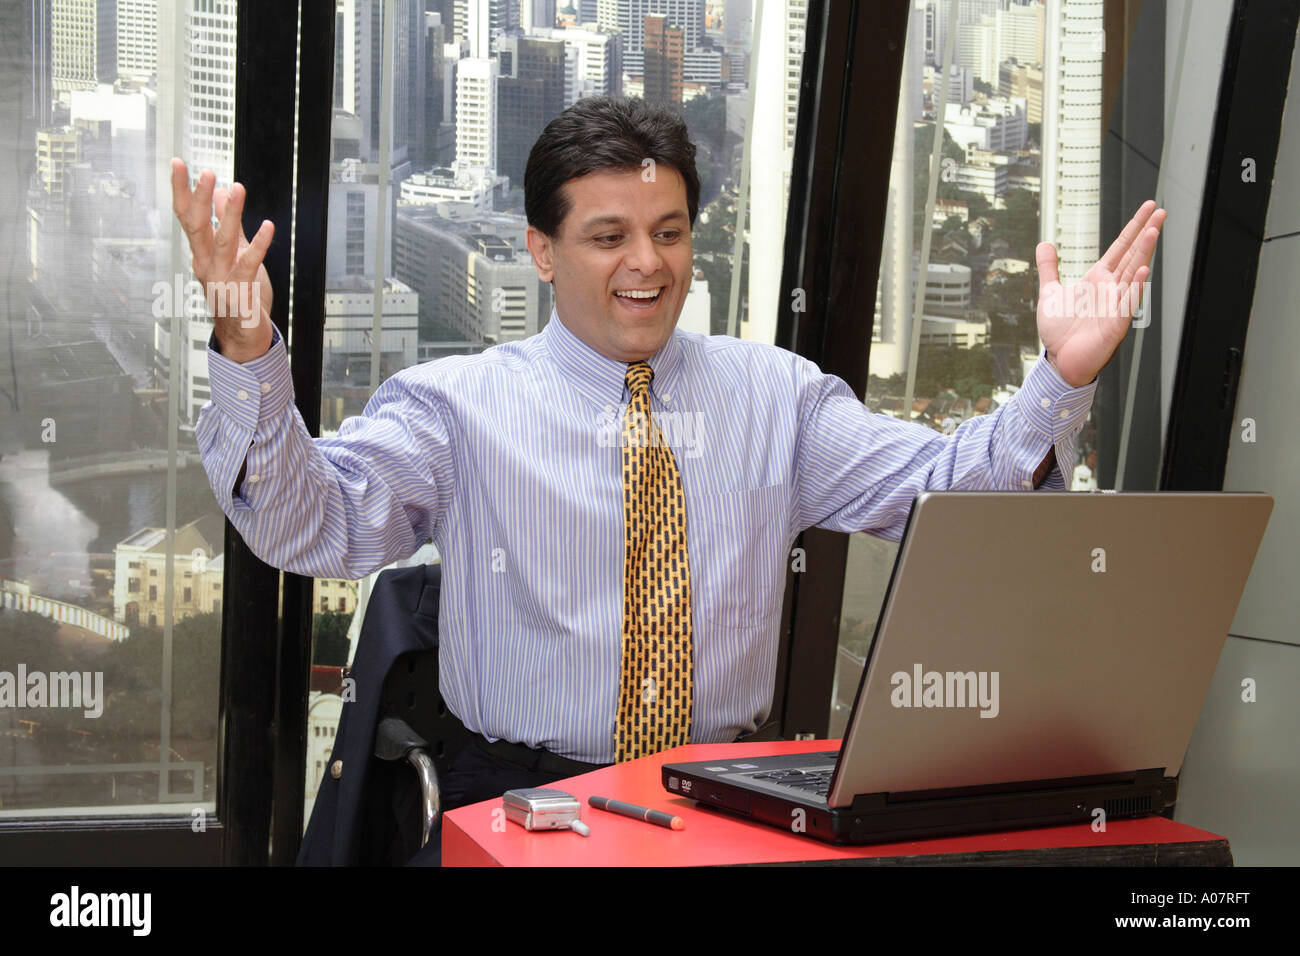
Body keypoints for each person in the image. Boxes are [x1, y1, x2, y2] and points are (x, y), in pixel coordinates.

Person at [170, 96, 1164, 847]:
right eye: (606, 237)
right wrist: (249, 344)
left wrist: (1060, 377)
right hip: (518, 801)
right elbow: (313, 525)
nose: (645, 264)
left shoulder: (775, 395)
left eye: (669, 232)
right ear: (541, 252)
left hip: (727, 801)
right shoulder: (455, 406)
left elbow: (958, 498)